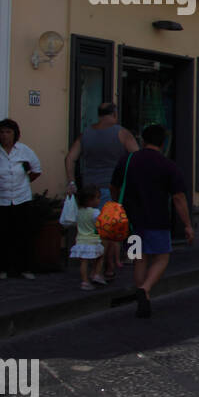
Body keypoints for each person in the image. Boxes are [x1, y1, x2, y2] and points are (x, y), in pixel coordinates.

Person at [110, 123, 194, 317]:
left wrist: (118, 203)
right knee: (162, 257)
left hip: (130, 222)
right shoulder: (167, 165)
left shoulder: (128, 160)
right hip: (157, 219)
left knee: (139, 258)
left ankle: (143, 299)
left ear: (143, 140)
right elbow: (178, 198)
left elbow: (114, 187)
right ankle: (145, 289)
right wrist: (187, 225)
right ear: (163, 143)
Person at [64, 102, 140, 279]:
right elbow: (137, 157)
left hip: (89, 190)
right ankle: (106, 268)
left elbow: (70, 158)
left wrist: (71, 181)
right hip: (111, 188)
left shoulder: (86, 134)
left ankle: (97, 266)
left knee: (91, 230)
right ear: (114, 114)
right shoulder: (122, 133)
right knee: (110, 231)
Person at [0, 118, 42, 281]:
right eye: (2, 132)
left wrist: (24, 182)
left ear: (15, 134)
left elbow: (36, 169)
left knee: (22, 234)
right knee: (2, 234)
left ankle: (25, 267)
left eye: (8, 132)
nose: (5, 135)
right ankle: (2, 268)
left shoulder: (24, 150)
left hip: (21, 198)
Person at [71, 185, 105, 290]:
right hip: (93, 240)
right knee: (99, 257)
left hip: (81, 240)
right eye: (98, 198)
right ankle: (96, 274)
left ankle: (85, 281)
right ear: (90, 200)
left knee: (84, 262)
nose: (99, 200)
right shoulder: (95, 212)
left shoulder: (79, 212)